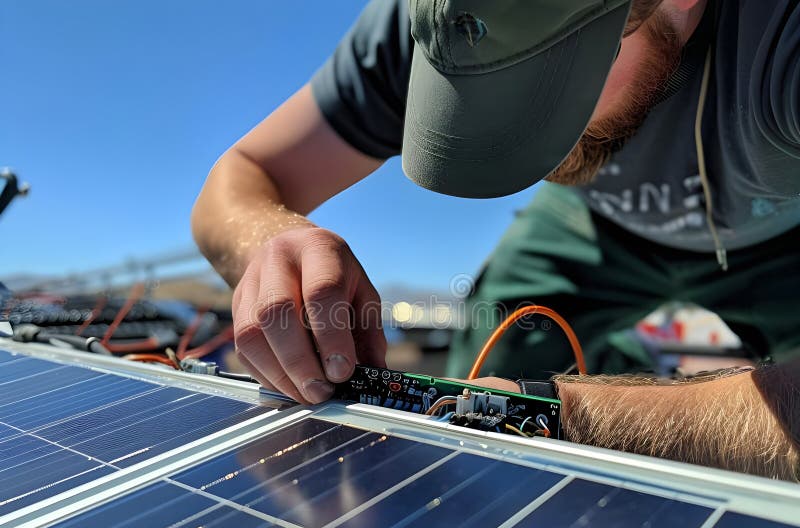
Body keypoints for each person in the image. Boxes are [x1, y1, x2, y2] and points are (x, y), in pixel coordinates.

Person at [192, 0, 800, 480]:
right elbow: (244, 174)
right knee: (486, 361)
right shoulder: (441, 22)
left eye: (551, 75)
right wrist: (271, 239)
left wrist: (555, 415)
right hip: (586, 226)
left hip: (783, 243)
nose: (506, 125)